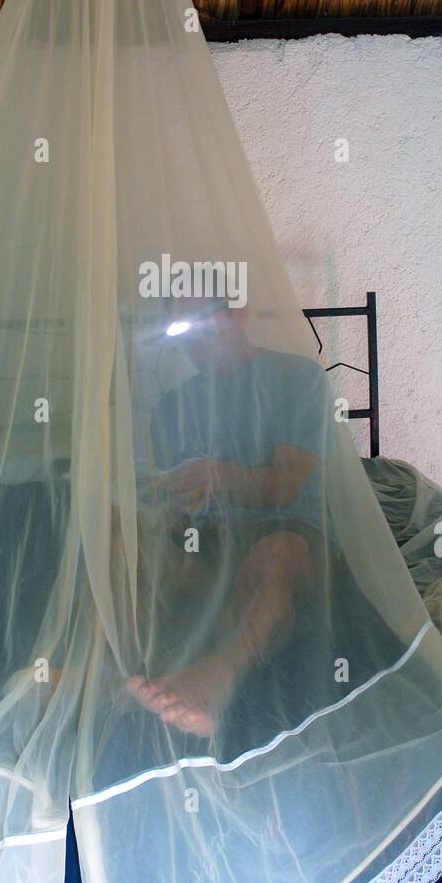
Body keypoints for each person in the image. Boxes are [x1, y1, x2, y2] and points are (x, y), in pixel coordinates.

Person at [127, 299, 331, 738]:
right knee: (116, 534)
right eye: (183, 328)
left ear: (238, 313)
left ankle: (221, 674)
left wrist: (215, 475)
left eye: (206, 321)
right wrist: (172, 500)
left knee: (276, 555)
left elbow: (286, 485)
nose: (196, 338)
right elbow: (173, 501)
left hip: (282, 528)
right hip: (208, 539)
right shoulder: (170, 405)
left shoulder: (298, 379)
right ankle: (108, 670)